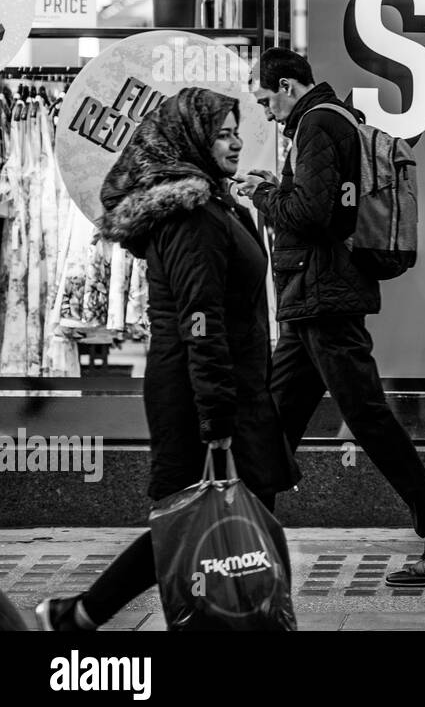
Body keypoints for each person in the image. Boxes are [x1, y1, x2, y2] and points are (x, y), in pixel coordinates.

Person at [37, 88, 299, 630]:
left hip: (229, 386)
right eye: (223, 133)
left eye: (236, 131)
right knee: (195, 517)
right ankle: (219, 613)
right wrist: (216, 420)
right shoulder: (191, 216)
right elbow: (199, 321)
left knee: (221, 516)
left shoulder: (212, 202)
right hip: (200, 392)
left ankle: (85, 616)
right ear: (193, 139)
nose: (235, 142)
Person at [238, 48, 425, 588]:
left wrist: (263, 194)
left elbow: (313, 214)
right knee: (274, 424)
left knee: (368, 418)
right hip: (312, 300)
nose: (266, 112)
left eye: (265, 98)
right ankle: (243, 546)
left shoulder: (317, 124)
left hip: (326, 297)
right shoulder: (329, 121)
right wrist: (279, 191)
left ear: (288, 86)